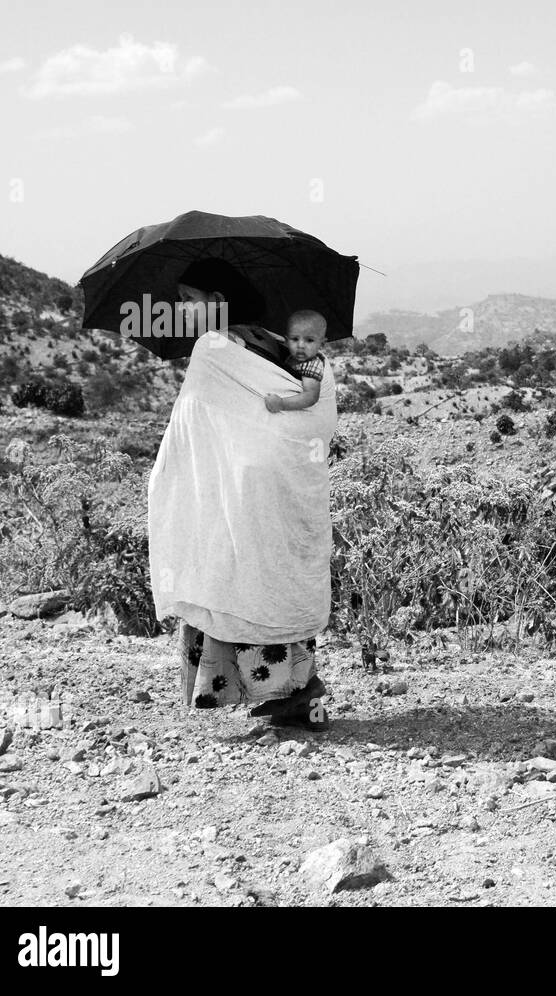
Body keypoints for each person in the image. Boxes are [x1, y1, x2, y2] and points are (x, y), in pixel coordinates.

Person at [154, 258, 334, 729]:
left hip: (241, 489)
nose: (182, 310)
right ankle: (296, 694)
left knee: (239, 579)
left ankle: (291, 697)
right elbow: (310, 415)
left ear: (215, 302)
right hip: (278, 487)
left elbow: (193, 428)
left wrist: (173, 477)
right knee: (269, 580)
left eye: (188, 301)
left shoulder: (214, 349)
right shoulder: (275, 343)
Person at [264, 310, 327, 413]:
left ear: (322, 344)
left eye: (309, 340)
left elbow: (311, 396)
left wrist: (282, 404)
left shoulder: (311, 364)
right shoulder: (292, 357)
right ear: (287, 341)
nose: (300, 345)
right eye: (295, 339)